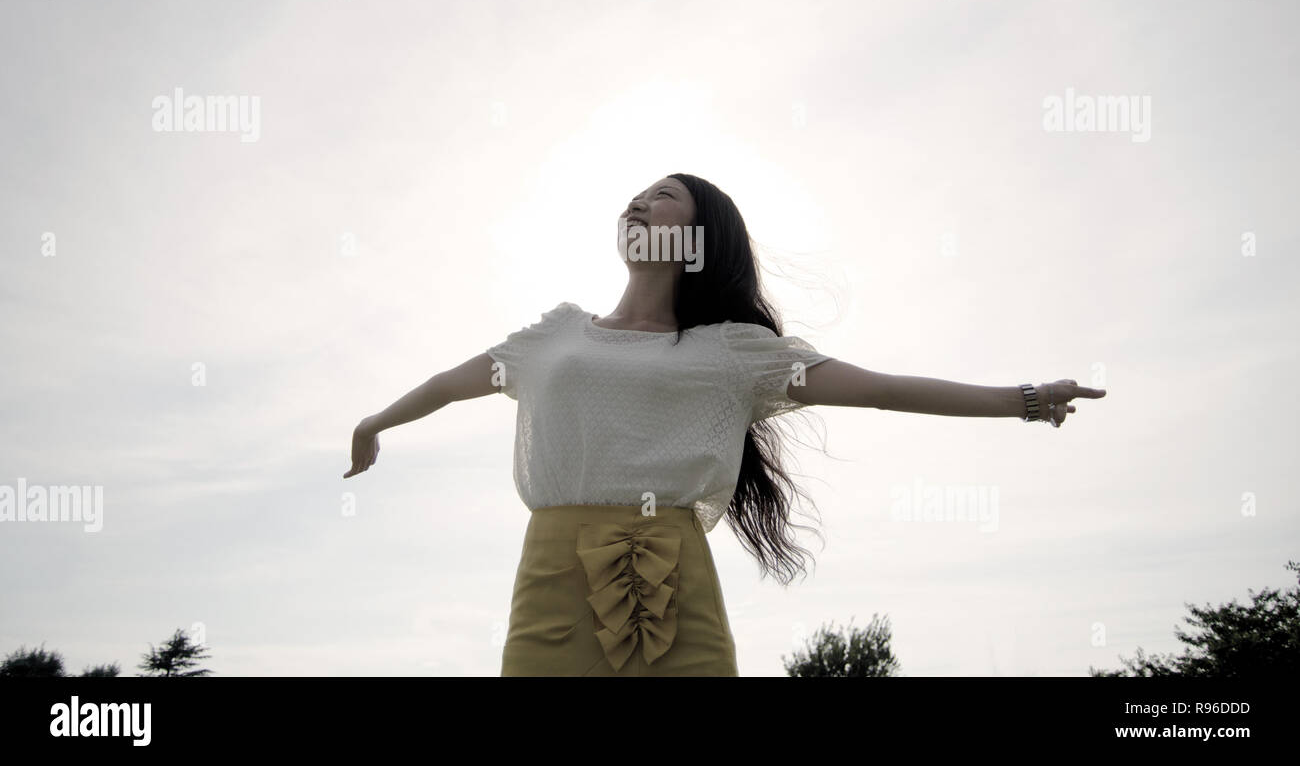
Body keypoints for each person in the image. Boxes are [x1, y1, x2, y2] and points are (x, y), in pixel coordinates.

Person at [346, 173, 1106, 676]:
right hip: (555, 572)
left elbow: (880, 389)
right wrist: (375, 423)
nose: (639, 202)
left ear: (700, 233)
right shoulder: (557, 336)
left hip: (678, 574)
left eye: (664, 195)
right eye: (635, 194)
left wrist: (1026, 399)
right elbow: (450, 383)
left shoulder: (735, 352)